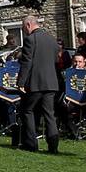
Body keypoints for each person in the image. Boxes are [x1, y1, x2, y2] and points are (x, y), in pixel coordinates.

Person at [13, 15, 60, 153]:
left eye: (23, 28)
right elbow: (55, 61)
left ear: (28, 25)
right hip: (51, 83)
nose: (24, 31)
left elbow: (27, 62)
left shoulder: (30, 40)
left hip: (35, 83)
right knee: (49, 115)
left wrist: (21, 82)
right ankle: (53, 147)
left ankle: (31, 144)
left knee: (27, 111)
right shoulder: (52, 40)